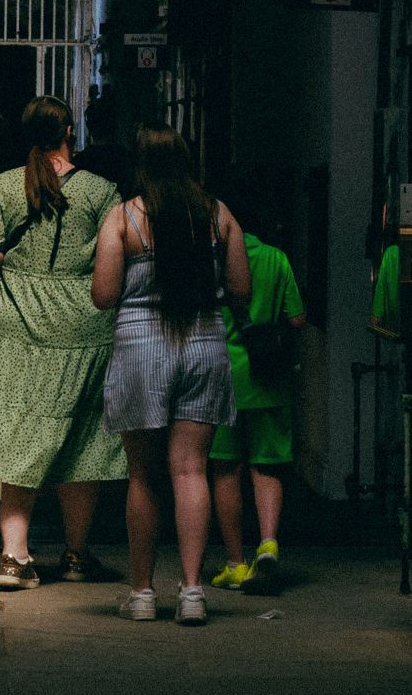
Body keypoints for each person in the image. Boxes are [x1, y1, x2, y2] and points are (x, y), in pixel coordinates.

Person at [0, 95, 124, 589]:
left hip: (12, 324)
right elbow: (117, 264)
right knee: (81, 441)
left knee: (16, 435)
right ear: (69, 132)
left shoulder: (1, 188)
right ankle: (76, 557)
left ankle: (14, 557)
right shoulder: (102, 192)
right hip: (84, 327)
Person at [92, 123, 250, 625]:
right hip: (204, 345)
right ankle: (192, 592)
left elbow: (103, 295)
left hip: (141, 350)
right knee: (190, 469)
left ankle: (141, 593)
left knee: (143, 475)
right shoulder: (219, 216)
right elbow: (241, 290)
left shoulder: (122, 219)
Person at [207, 189, 306, 593]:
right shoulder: (276, 258)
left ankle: (236, 562)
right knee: (266, 467)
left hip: (221, 380)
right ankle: (268, 541)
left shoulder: (213, 260)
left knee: (225, 469)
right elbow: (297, 320)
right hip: (269, 380)